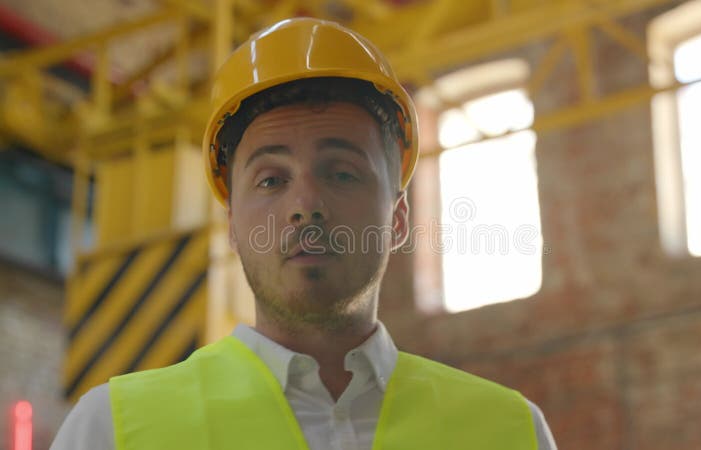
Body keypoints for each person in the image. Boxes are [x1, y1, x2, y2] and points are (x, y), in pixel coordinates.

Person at [51, 17, 557, 450]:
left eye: (341, 172)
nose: (305, 205)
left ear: (398, 219)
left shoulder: (511, 433)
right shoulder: (112, 432)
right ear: (232, 223)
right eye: (272, 179)